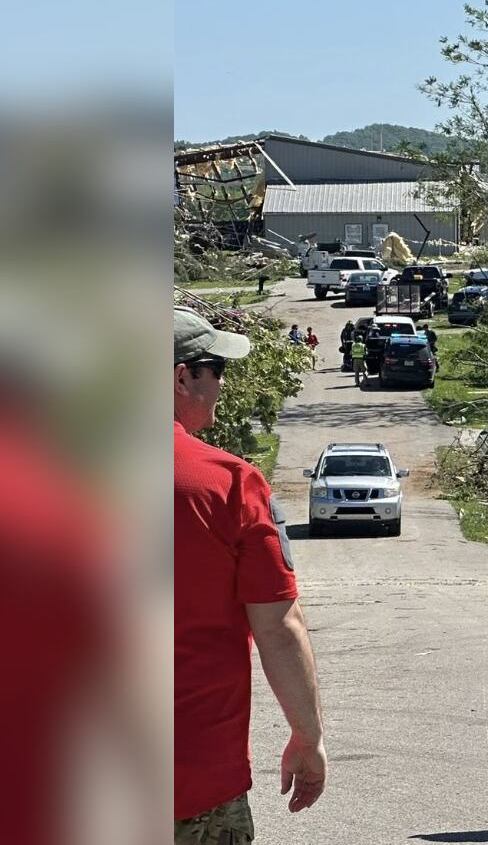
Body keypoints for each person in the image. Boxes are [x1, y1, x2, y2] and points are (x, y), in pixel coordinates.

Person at [174, 308, 326, 841]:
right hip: (191, 786)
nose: (221, 384)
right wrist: (308, 739)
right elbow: (279, 627)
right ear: (181, 375)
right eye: (216, 369)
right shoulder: (228, 484)